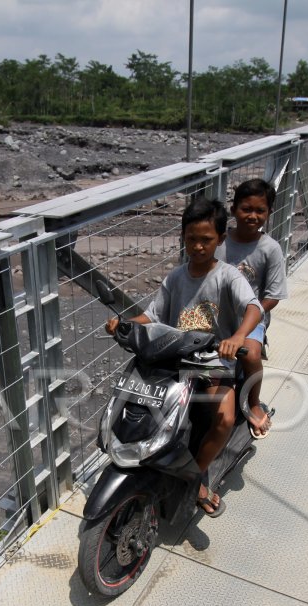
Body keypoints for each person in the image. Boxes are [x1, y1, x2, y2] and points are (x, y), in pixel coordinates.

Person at [106, 195, 262, 517]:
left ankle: (196, 476)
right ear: (183, 238)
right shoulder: (176, 277)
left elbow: (253, 307)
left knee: (224, 418)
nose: (198, 246)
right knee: (140, 404)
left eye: (206, 240)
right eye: (192, 239)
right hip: (174, 358)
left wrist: (236, 337)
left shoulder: (228, 276)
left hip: (212, 361)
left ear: (220, 239)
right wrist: (125, 324)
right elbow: (152, 315)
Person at [216, 178, 287, 439]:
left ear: (269, 212)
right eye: (246, 209)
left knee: (250, 354)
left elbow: (273, 296)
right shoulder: (220, 242)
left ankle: (253, 402)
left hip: (252, 317)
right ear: (233, 209)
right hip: (216, 313)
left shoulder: (270, 249)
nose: (252, 216)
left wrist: (249, 315)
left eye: (260, 210)